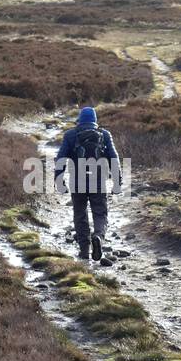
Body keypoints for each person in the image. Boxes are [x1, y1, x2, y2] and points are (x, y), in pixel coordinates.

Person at [54, 106, 120, 262]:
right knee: (100, 213)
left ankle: (84, 250)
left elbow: (60, 159)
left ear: (80, 120)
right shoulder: (104, 135)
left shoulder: (70, 135)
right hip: (99, 182)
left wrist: (59, 180)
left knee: (80, 215)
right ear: (95, 120)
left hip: (77, 183)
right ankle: (98, 237)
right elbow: (114, 159)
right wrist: (118, 181)